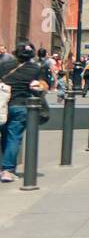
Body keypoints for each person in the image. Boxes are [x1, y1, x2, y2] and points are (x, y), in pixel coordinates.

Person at [1, 43, 51, 183]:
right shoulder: (35, 68)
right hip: (21, 105)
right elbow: (42, 87)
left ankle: (4, 166)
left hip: (3, 104)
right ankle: (8, 170)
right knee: (14, 137)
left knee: (5, 135)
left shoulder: (4, 65)